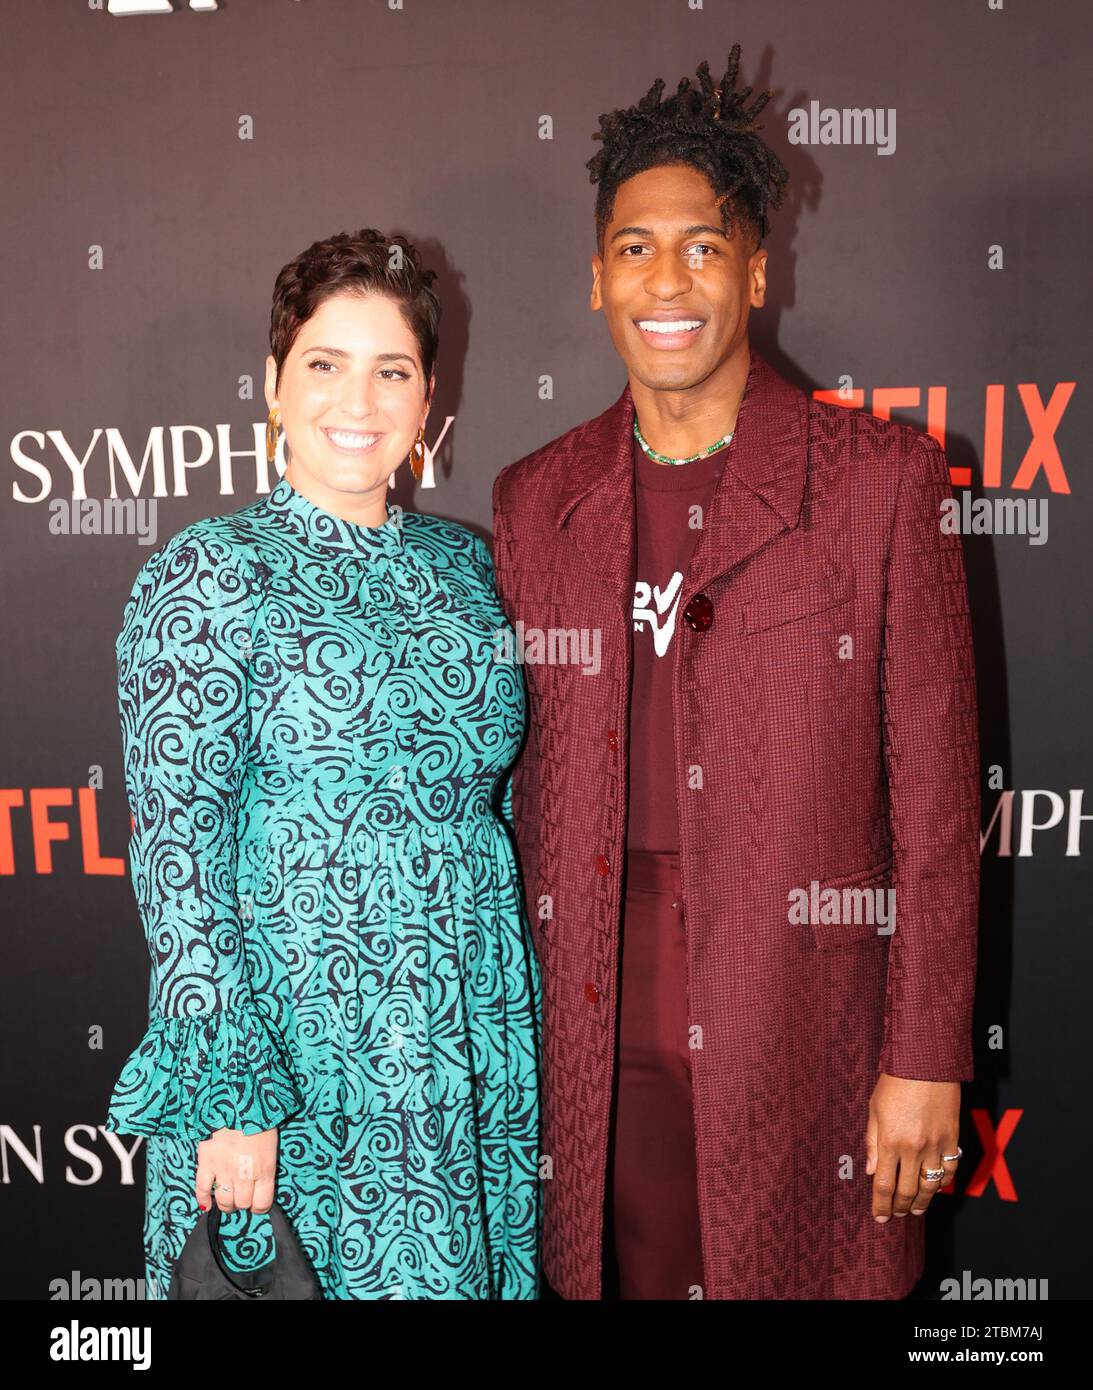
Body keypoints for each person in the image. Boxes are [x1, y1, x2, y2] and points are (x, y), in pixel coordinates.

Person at [491, 46, 979, 1300]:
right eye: (637, 247)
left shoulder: (880, 483)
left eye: (703, 247)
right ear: (596, 272)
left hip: (808, 1019)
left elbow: (935, 811)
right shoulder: (536, 501)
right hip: (593, 1029)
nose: (669, 280)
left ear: (757, 270)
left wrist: (926, 1056)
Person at [104, 229, 541, 1300]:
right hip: (300, 1051)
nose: (359, 398)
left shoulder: (469, 567)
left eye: (391, 368)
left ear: (430, 394)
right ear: (273, 385)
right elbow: (177, 852)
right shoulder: (209, 574)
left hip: (466, 1038)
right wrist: (231, 1099)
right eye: (324, 363)